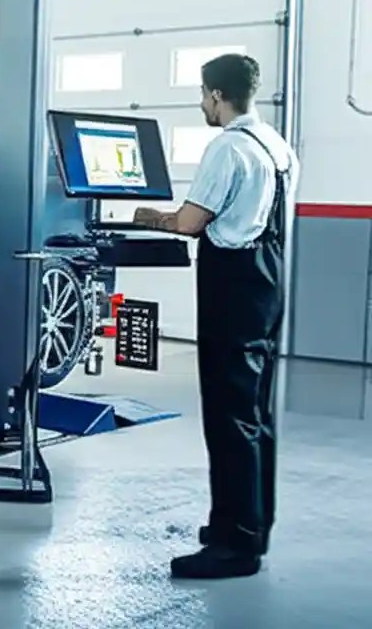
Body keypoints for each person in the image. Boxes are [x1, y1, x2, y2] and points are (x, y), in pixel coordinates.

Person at [131, 53, 298, 579]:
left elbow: (189, 222)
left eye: (203, 95)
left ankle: (235, 547)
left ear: (217, 95)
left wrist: (147, 216)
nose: (202, 104)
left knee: (228, 416)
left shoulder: (227, 147)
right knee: (255, 414)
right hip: (267, 281)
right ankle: (249, 524)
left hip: (234, 285)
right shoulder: (276, 144)